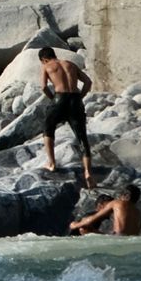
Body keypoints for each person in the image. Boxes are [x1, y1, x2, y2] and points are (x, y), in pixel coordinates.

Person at [40, 48, 95, 187]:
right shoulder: (70, 64)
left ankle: (52, 163)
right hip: (75, 100)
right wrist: (79, 97)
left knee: (48, 127)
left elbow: (43, 87)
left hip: (59, 98)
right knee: (82, 137)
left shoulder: (47, 66)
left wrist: (54, 99)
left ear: (44, 60)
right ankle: (88, 173)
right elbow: (88, 82)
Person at [71, 186, 141, 236]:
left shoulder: (117, 203)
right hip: (130, 240)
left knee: (84, 229)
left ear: (125, 195)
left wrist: (75, 225)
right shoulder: (138, 213)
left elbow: (93, 218)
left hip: (118, 238)